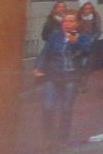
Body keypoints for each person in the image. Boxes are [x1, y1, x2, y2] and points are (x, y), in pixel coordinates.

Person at [36, 9, 93, 144]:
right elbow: (45, 53)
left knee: (66, 109)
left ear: (77, 23)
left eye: (71, 21)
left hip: (71, 77)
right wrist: (39, 67)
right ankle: (48, 135)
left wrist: (75, 42)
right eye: (65, 21)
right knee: (48, 106)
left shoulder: (83, 37)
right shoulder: (55, 36)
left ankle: (63, 137)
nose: (68, 24)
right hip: (53, 75)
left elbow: (87, 51)